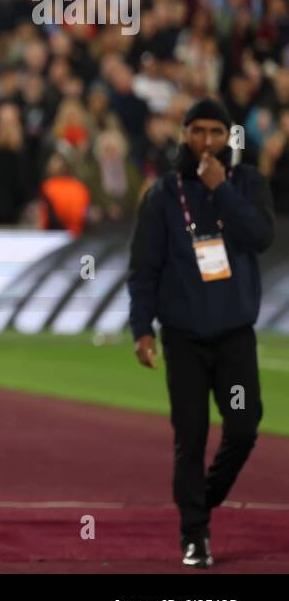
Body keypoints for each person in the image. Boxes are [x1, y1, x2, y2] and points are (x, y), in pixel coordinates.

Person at [127, 98, 275, 569]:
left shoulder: (249, 184)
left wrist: (223, 191)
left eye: (216, 132)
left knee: (243, 425)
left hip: (233, 338)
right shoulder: (163, 195)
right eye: (197, 131)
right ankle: (195, 533)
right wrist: (141, 330)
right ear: (184, 135)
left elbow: (261, 236)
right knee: (189, 436)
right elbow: (143, 270)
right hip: (184, 340)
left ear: (229, 138)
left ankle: (200, 502)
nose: (206, 141)